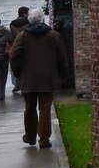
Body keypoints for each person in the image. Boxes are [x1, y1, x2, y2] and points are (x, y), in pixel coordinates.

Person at [9, 11, 68, 149]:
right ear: (42, 20)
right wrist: (62, 75)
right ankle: (44, 139)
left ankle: (30, 136)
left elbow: (14, 56)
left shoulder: (22, 36)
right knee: (45, 108)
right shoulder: (53, 36)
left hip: (27, 79)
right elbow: (62, 58)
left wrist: (18, 73)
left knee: (29, 108)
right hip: (48, 78)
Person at [7, 6, 29, 95]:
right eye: (28, 13)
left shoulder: (12, 24)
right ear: (24, 14)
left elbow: (11, 37)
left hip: (16, 47)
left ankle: (16, 84)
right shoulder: (28, 23)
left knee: (15, 65)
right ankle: (25, 83)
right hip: (27, 47)